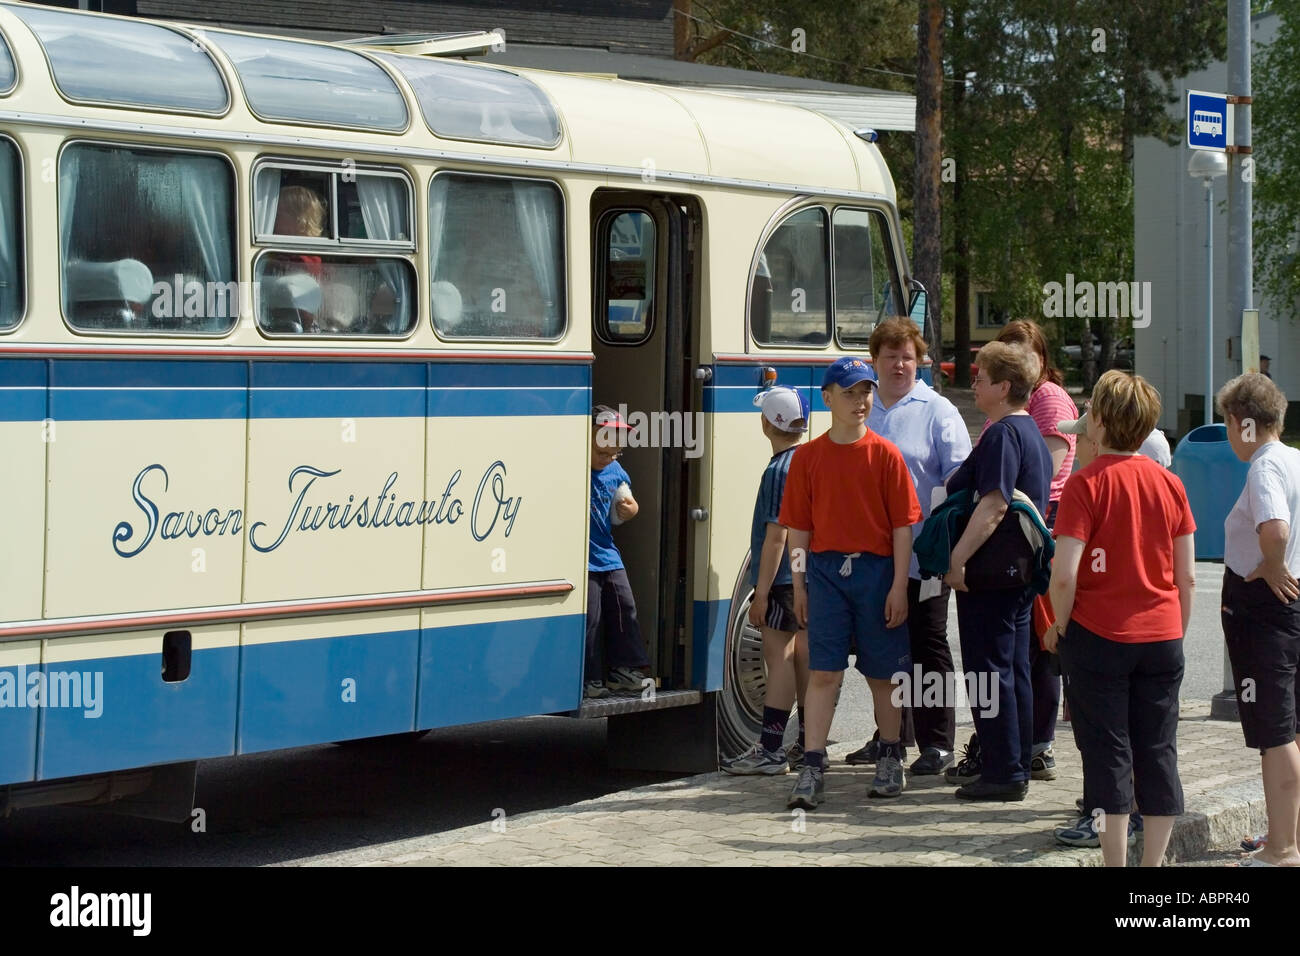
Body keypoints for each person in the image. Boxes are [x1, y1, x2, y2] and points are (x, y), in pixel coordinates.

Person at [1044, 370, 1196, 866]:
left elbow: (1064, 575)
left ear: (1102, 424)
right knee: (1158, 752)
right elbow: (1186, 577)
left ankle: (1116, 865)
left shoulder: (1086, 485)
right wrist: (1175, 630)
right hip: (1162, 635)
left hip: (1099, 637)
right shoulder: (1170, 484)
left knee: (1108, 755)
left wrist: (1060, 625)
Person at [779, 357, 922, 807]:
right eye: (850, 392)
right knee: (824, 671)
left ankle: (890, 756)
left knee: (884, 674)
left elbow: (903, 527)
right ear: (827, 399)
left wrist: (899, 584)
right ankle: (813, 763)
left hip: (877, 573)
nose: (860, 401)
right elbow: (797, 529)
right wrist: (799, 584)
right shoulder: (807, 458)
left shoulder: (886, 455)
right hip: (824, 573)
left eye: (865, 392)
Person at [844, 319, 972, 776]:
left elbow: (961, 482)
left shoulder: (938, 411)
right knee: (879, 649)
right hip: (867, 558)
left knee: (927, 644)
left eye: (907, 356)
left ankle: (937, 743)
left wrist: (951, 546)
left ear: (920, 361)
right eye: (890, 356)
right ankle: (891, 738)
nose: (899, 364)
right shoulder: (860, 408)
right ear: (874, 360)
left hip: (924, 558)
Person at [941, 341, 1052, 800]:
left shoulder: (1003, 434)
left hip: (993, 573)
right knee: (1014, 668)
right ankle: (1015, 760)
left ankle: (1004, 772)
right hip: (1018, 573)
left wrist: (956, 558)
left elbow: (994, 503)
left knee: (991, 671)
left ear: (1004, 387)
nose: (974, 384)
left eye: (981, 377)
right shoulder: (1030, 433)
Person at [976, 319, 1077, 783]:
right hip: (1020, 537)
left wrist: (958, 557)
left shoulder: (1044, 402)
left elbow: (1039, 482)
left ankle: (1030, 748)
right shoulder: (1007, 415)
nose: (1017, 355)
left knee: (1033, 649)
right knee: (1021, 654)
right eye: (1007, 347)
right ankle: (1016, 750)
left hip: (1030, 535)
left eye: (1023, 348)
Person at [1217, 373, 1300, 867]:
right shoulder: (1296, 458)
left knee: (1275, 733)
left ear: (1241, 422)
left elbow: (1274, 528)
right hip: (1290, 605)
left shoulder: (1265, 467)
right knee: (1292, 727)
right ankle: (1287, 834)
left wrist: (1272, 562)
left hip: (1266, 609)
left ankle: (1282, 849)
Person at [721, 385, 811, 775]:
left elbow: (777, 535)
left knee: (780, 659)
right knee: (805, 659)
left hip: (784, 583)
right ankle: (810, 742)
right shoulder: (810, 460)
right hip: (809, 577)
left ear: (766, 424)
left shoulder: (778, 470)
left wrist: (760, 592)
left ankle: (771, 749)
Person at [585, 405, 652, 699]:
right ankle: (589, 677)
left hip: (607, 553)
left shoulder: (615, 470)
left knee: (625, 607)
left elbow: (626, 502)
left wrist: (632, 510)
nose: (608, 458)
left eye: (614, 453)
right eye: (602, 452)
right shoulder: (576, 466)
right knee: (591, 618)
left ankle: (624, 669)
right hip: (583, 556)